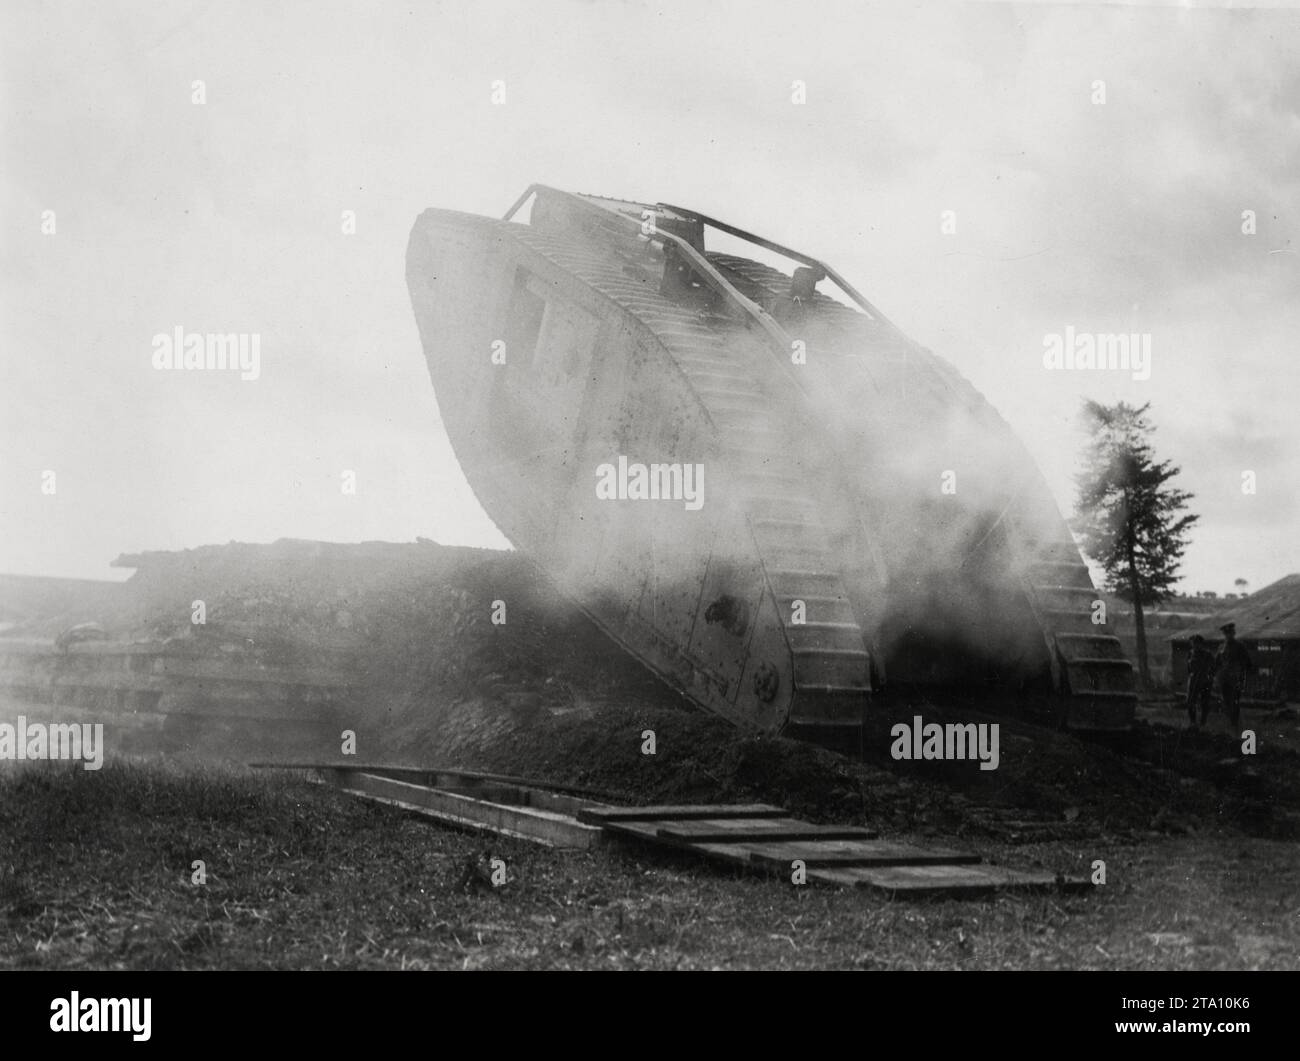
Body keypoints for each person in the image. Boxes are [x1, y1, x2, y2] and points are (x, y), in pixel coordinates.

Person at [1214, 622, 1253, 730]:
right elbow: (1216, 662)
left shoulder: (1240, 646)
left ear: (1234, 633)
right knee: (1226, 701)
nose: (1228, 635)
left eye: (1230, 633)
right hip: (1223, 678)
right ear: (1224, 634)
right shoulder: (1221, 647)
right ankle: (1231, 722)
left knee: (1235, 700)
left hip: (1235, 678)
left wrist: (1244, 674)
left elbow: (1248, 662)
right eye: (1226, 633)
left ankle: (1234, 723)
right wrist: (1215, 675)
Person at [1185, 634, 1215, 727]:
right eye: (1193, 643)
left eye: (1197, 643)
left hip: (1205, 681)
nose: (1195, 645)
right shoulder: (1190, 653)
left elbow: (1213, 667)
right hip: (1193, 681)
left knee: (1204, 702)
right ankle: (1193, 721)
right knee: (1190, 702)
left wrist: (1209, 676)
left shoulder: (1207, 654)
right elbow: (1188, 668)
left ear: (1201, 644)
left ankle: (1203, 722)